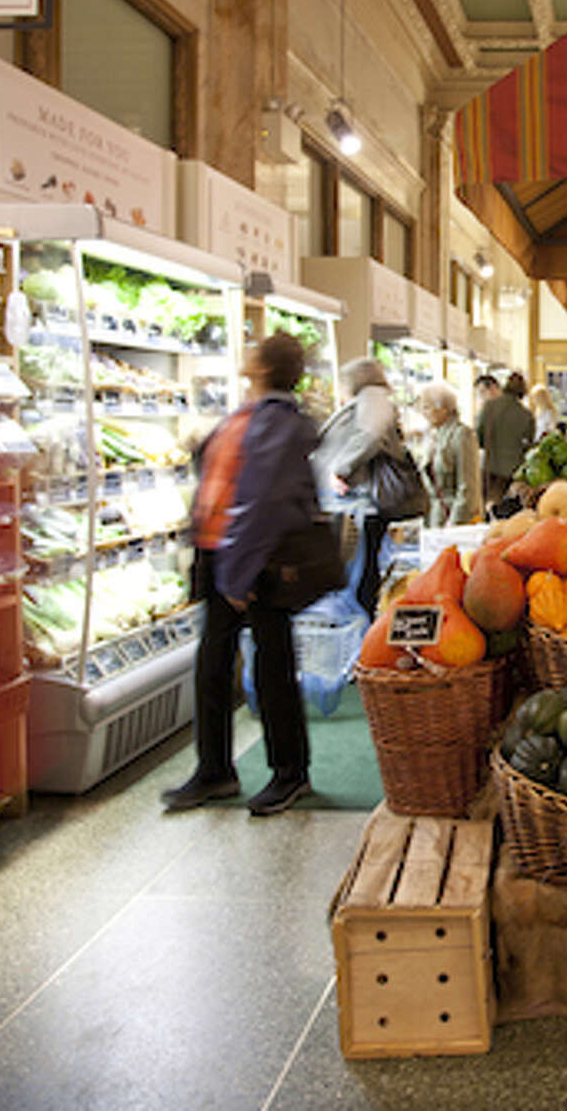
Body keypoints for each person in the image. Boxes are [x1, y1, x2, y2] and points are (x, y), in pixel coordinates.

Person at [164, 333, 320, 816]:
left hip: (257, 562)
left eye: (253, 350)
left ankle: (289, 772)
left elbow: (264, 500)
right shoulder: (248, 414)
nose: (244, 353)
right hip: (221, 556)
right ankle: (214, 770)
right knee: (213, 667)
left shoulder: (279, 422)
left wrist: (243, 573)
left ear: (264, 366)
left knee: (272, 668)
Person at [316, 357, 402, 615]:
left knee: (361, 575)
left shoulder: (372, 398)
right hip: (358, 502)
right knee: (363, 572)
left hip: (361, 502)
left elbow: (370, 435)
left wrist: (339, 469)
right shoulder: (373, 399)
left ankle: (362, 634)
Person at [418, 381, 483, 527]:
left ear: (444, 408)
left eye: (427, 407)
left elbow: (468, 486)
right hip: (435, 518)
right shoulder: (433, 436)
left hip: (455, 519)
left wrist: (455, 523)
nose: (423, 413)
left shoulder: (462, 435)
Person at [477, 371, 534, 506]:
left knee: (488, 507)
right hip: (514, 470)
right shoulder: (526, 415)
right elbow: (529, 444)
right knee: (508, 509)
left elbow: (479, 435)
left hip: (490, 466)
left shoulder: (489, 406)